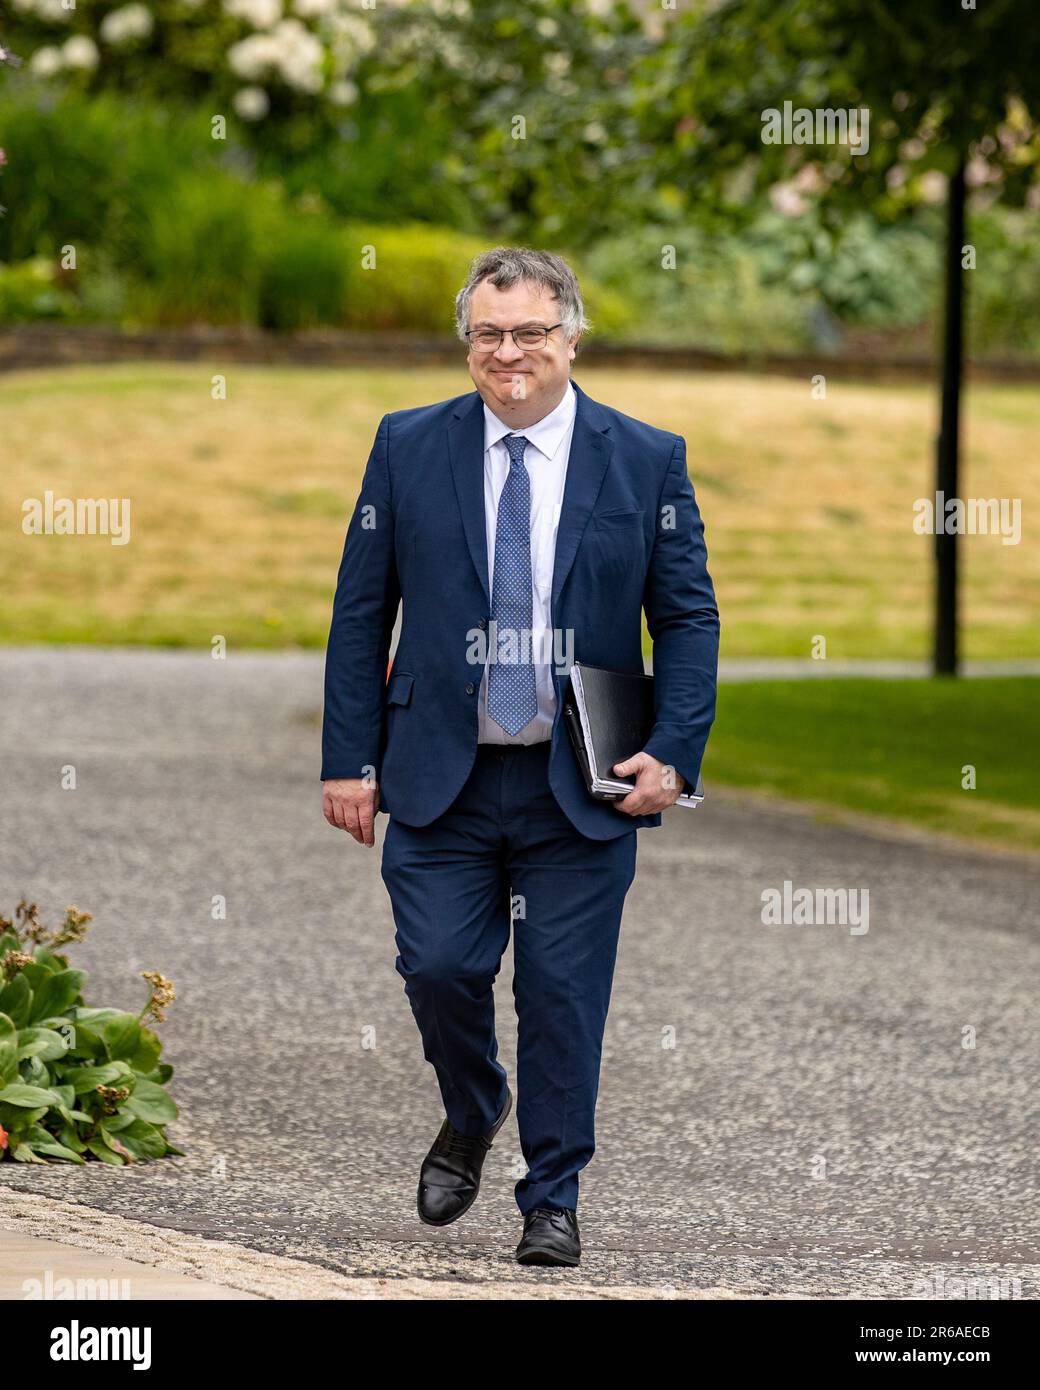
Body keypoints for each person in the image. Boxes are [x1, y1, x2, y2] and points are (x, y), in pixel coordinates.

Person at [321, 247, 719, 1267]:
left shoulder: (643, 458)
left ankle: (552, 1196)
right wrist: (346, 757)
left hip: (577, 784)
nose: (509, 354)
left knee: (560, 996)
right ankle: (471, 1105)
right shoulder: (406, 446)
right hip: (437, 775)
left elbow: (685, 616)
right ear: (467, 345)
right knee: (440, 966)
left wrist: (673, 751)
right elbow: (363, 609)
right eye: (488, 334)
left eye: (530, 332)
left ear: (570, 338)